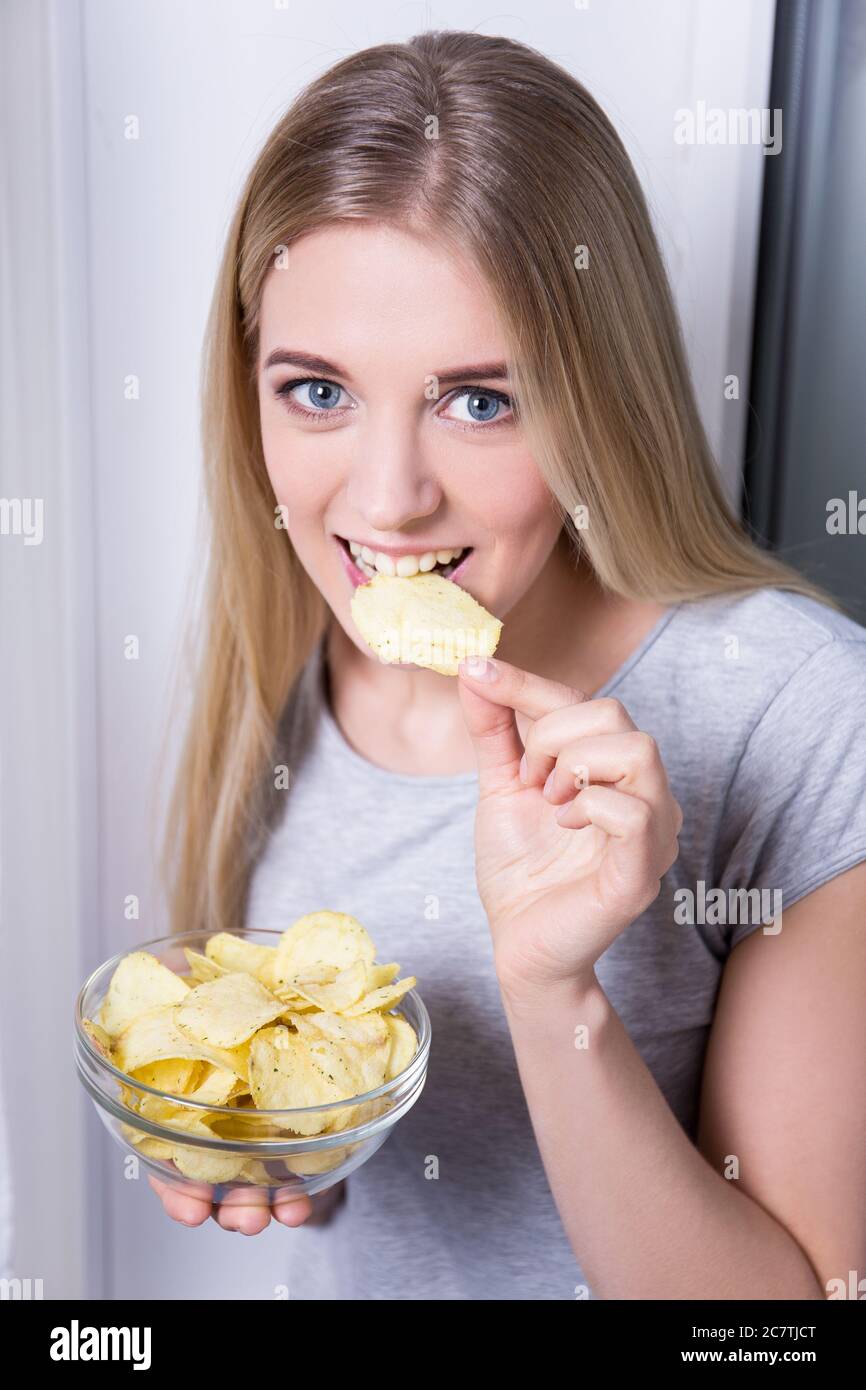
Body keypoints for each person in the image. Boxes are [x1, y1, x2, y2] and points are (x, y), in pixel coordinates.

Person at [149, 31, 866, 1299]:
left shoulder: (793, 713)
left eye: (478, 401)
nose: (387, 501)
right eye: (317, 391)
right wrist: (274, 1133)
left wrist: (551, 995)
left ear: (597, 396)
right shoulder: (281, 647)